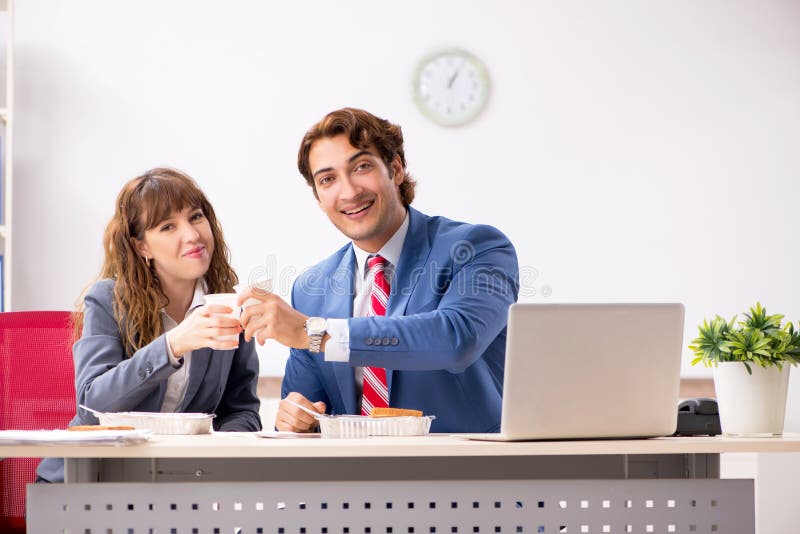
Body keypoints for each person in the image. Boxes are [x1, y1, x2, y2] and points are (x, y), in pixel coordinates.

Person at [237, 108, 518, 433]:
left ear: (395, 169)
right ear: (318, 198)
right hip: (358, 477)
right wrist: (297, 417)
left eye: (361, 167)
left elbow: (456, 338)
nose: (349, 191)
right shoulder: (310, 289)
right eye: (327, 179)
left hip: (467, 474)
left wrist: (314, 333)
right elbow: (310, 407)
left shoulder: (477, 248)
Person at [37, 167, 261, 482]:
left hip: (177, 485)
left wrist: (218, 456)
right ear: (142, 246)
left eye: (196, 217)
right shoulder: (107, 299)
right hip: (93, 481)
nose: (193, 235)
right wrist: (173, 345)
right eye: (168, 226)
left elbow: (242, 411)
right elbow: (92, 403)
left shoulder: (227, 306)